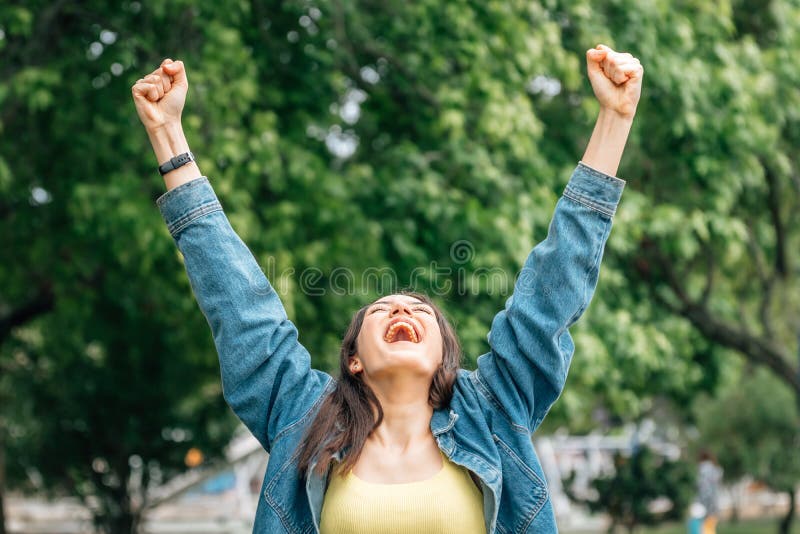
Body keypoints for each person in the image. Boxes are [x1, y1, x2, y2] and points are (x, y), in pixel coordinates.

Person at [132, 43, 643, 534]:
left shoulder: (494, 412)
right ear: (354, 359)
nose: (402, 308)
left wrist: (615, 118)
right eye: (381, 310)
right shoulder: (302, 416)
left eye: (420, 309)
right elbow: (237, 300)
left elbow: (554, 288)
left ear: (446, 353)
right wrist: (167, 133)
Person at [697, 450, 723, 534]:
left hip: (705, 501)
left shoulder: (702, 468)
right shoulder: (716, 469)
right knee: (710, 526)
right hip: (714, 500)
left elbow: (701, 485)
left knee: (705, 528)